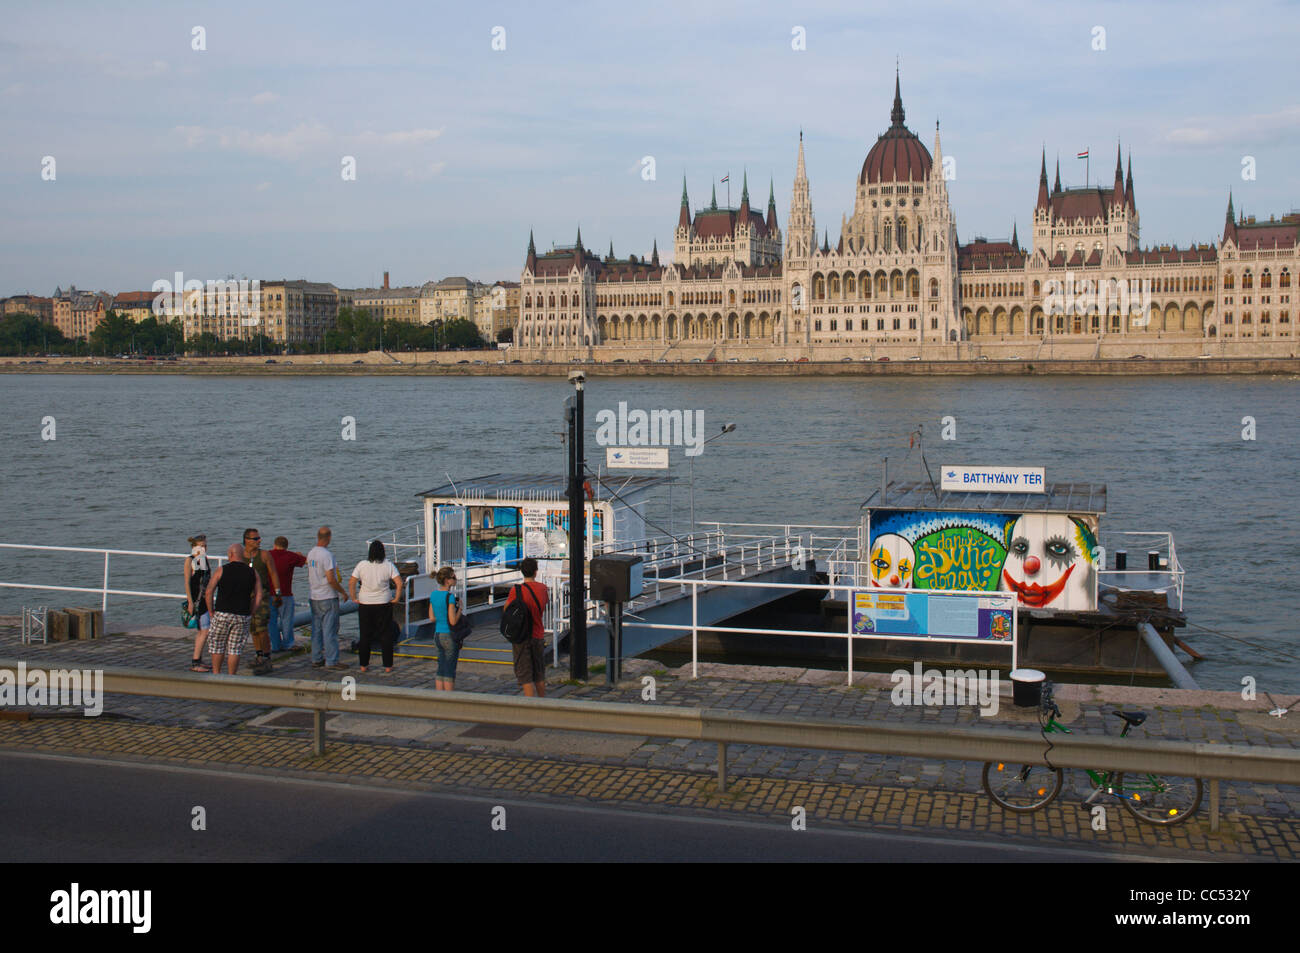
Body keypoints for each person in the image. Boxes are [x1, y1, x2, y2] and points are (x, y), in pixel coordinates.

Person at [204, 542, 262, 675]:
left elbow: (209, 591)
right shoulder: (252, 572)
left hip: (222, 613)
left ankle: (217, 674)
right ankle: (231, 676)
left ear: (230, 555)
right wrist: (252, 610)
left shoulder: (222, 570)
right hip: (242, 615)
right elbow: (259, 594)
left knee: (217, 646)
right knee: (235, 649)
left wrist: (211, 610)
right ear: (242, 555)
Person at [349, 540, 402, 674]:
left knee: (365, 635)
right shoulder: (388, 565)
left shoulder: (362, 565)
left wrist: (354, 597)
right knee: (386, 634)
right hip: (384, 603)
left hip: (365, 603)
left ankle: (363, 665)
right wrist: (396, 598)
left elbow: (352, 581)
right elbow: (399, 583)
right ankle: (388, 666)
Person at [307, 526, 350, 670]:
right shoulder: (327, 555)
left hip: (314, 596)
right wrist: (343, 592)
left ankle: (316, 658)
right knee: (330, 630)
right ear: (329, 537)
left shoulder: (311, 553)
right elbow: (331, 579)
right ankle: (332, 660)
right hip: (327, 596)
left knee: (316, 630)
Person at [505, 557, 548, 697]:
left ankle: (530, 704)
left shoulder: (516, 590)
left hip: (522, 636)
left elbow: (507, 610)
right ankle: (543, 702)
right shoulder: (542, 588)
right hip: (538, 633)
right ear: (536, 572)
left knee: (525, 674)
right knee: (539, 672)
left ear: (522, 572)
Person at [241, 528, 281, 675]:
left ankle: (266, 657)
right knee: (253, 628)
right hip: (246, 597)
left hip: (262, 596)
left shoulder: (264, 555)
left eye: (259, 538)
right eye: (256, 539)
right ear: (247, 540)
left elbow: (273, 573)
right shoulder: (241, 555)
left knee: (262, 628)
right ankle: (258, 655)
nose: (259, 541)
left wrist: (277, 592)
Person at [267, 536, 307, 653]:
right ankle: (288, 644)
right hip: (285, 594)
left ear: (274, 545)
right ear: (286, 546)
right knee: (287, 620)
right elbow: (307, 561)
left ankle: (275, 645)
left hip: (270, 593)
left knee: (272, 622)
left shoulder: (268, 555)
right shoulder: (291, 556)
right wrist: (299, 555)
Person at [428, 566, 464, 690]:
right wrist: (460, 609)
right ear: (448, 580)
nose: (456, 579)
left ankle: (440, 696)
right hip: (448, 635)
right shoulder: (450, 597)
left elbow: (432, 618)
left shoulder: (433, 595)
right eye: (454, 577)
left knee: (441, 667)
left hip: (437, 634)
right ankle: (449, 697)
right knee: (449, 668)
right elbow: (453, 621)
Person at [184, 534, 212, 672]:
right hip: (197, 600)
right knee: (204, 630)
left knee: (203, 630)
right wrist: (190, 602)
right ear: (195, 547)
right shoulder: (190, 560)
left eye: (205, 545)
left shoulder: (203, 560)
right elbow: (188, 583)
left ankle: (198, 659)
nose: (204, 548)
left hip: (205, 599)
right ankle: (195, 662)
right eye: (201, 546)